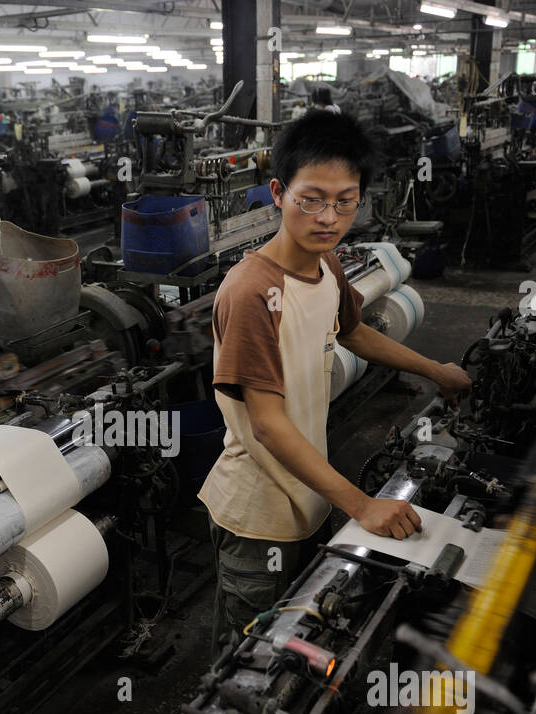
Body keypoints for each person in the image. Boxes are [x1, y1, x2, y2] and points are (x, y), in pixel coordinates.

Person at [201, 108, 472, 642]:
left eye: (345, 202)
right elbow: (268, 426)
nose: (329, 217)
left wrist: (435, 370)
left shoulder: (327, 266)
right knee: (248, 660)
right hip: (258, 515)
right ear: (278, 193)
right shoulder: (252, 291)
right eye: (312, 199)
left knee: (303, 634)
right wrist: (363, 505)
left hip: (308, 493)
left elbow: (352, 331)